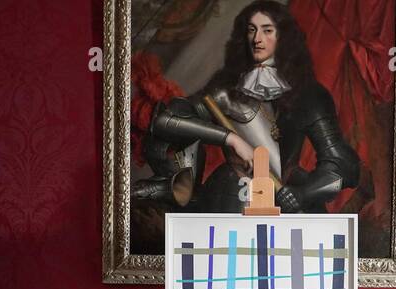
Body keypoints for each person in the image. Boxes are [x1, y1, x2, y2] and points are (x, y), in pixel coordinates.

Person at [141, 1, 360, 213]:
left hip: (287, 195)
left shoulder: (309, 94)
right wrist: (231, 139)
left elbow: (342, 165)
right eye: (252, 30)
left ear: (283, 36)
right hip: (232, 191)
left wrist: (303, 194)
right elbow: (167, 121)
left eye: (267, 31)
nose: (257, 39)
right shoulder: (225, 89)